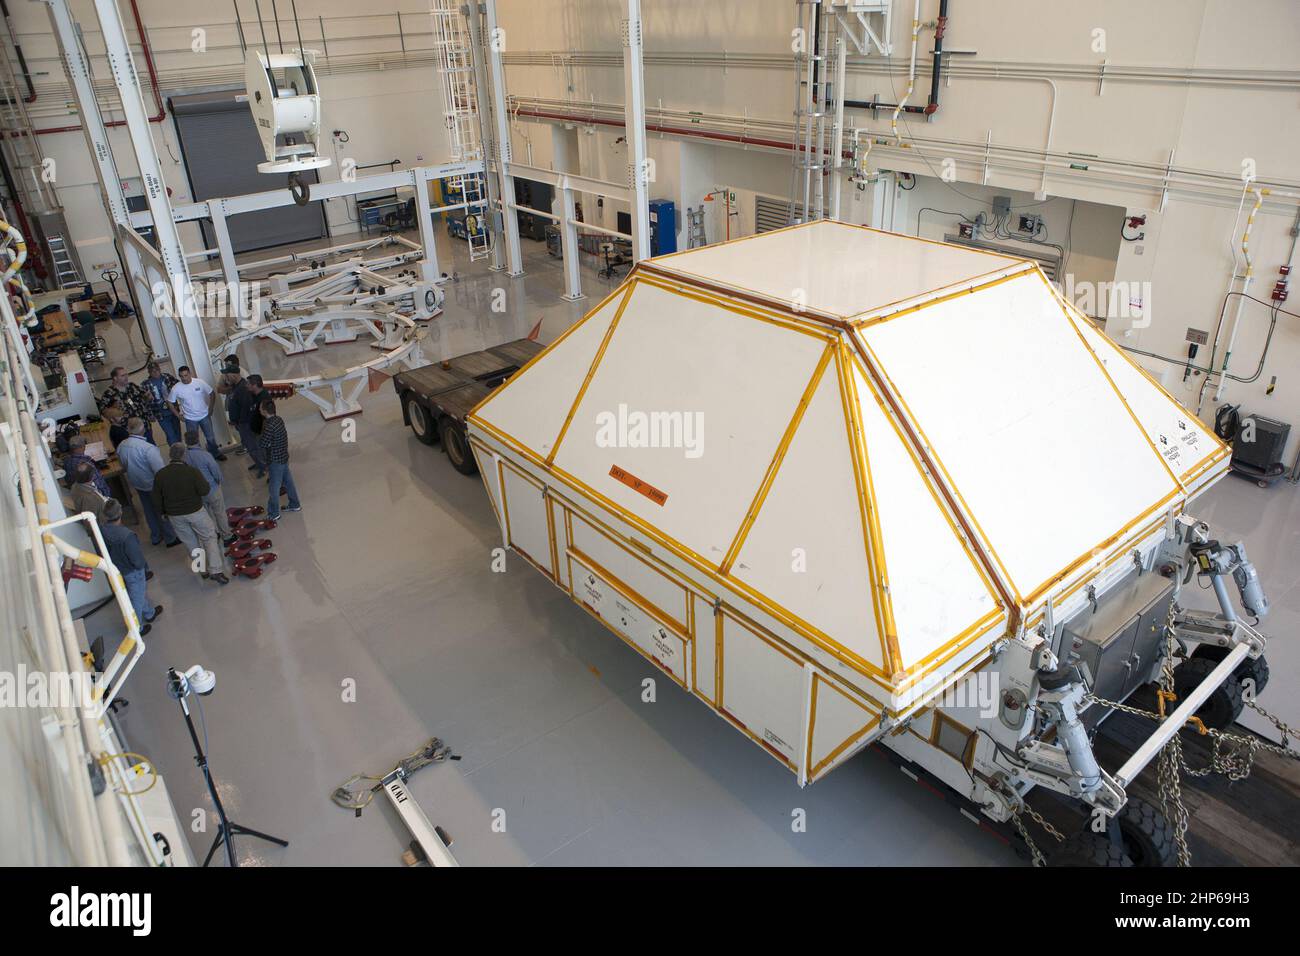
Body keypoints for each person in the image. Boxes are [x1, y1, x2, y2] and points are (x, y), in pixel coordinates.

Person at [154, 443, 229, 585]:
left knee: (190, 542)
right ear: (184, 455)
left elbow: (157, 498)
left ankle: (203, 570)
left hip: (175, 516)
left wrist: (163, 512)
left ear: (170, 456)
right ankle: (216, 570)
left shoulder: (160, 475)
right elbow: (204, 490)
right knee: (209, 537)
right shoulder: (192, 472)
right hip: (195, 511)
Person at [100, 498, 163, 635]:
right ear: (120, 512)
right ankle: (136, 628)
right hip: (133, 571)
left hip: (118, 568)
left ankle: (149, 613)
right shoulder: (127, 536)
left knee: (138, 593)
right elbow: (137, 559)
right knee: (136, 599)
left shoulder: (103, 529)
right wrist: (142, 568)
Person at [116, 417, 180, 548]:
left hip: (137, 483)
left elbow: (122, 464)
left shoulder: (122, 446)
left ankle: (156, 536)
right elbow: (160, 471)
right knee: (161, 510)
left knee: (148, 510)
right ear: (143, 429)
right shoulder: (148, 448)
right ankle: (170, 538)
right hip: (153, 484)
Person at [184, 429, 236, 545]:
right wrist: (219, 481)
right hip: (212, 489)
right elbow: (215, 471)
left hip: (198, 492)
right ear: (198, 439)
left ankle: (214, 534)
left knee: (206, 515)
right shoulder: (205, 455)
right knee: (219, 512)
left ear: (186, 442)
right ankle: (227, 537)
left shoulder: (185, 457)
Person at [167, 366, 227, 461]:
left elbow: (212, 393)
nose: (184, 378)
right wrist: (178, 415)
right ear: (179, 376)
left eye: (186, 375)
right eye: (182, 376)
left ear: (190, 374)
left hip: (204, 416)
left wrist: (210, 408)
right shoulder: (176, 388)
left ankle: (215, 453)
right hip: (190, 419)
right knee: (194, 441)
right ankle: (200, 458)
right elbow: (169, 402)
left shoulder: (199, 382)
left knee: (210, 437)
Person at [259, 399, 302, 520]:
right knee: (289, 483)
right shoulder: (279, 419)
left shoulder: (268, 426)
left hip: (275, 461)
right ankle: (295, 504)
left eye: (260, 408)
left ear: (264, 411)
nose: (259, 409)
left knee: (274, 487)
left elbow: (263, 443)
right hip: (283, 457)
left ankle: (274, 513)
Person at [224, 367, 266, 478]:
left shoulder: (242, 388)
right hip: (240, 423)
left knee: (253, 446)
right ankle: (258, 463)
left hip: (245, 424)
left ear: (234, 375)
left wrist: (240, 422)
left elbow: (246, 407)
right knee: (249, 445)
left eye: (227, 375)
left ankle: (263, 467)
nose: (226, 378)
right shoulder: (235, 386)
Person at [98, 366, 156, 445]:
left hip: (144, 426)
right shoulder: (109, 394)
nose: (126, 377)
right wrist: (114, 413)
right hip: (129, 432)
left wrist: (148, 398)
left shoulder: (132, 386)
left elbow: (145, 398)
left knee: (151, 448)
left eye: (126, 375)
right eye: (122, 376)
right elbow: (103, 411)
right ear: (115, 378)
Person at [141, 360, 181, 446]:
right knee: (171, 435)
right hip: (161, 414)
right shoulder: (145, 385)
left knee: (177, 433)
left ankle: (180, 450)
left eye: (156, 370)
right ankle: (176, 453)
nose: (155, 372)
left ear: (160, 369)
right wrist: (150, 414)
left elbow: (179, 386)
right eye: (152, 371)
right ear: (149, 372)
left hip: (173, 410)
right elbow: (144, 402)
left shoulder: (167, 377)